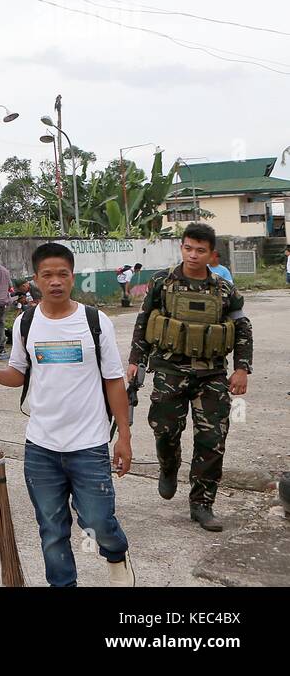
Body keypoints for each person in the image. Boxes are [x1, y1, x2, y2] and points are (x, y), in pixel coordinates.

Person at [0, 242, 135, 587]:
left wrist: (123, 435)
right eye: (47, 275)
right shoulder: (26, 322)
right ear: (36, 278)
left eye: (62, 274)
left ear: (72, 277)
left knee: (97, 521)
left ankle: (116, 552)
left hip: (89, 444)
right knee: (51, 528)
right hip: (41, 446)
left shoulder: (95, 321)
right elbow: (18, 372)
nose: (55, 281)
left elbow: (113, 381)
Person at [129, 223, 253, 532]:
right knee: (164, 430)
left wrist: (241, 367)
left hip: (211, 373)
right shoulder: (161, 283)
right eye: (188, 248)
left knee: (212, 441)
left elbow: (242, 328)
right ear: (181, 248)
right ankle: (169, 466)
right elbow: (144, 322)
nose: (193, 255)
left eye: (200, 250)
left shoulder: (224, 289)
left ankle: (202, 504)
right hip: (170, 371)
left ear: (212, 255)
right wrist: (135, 361)